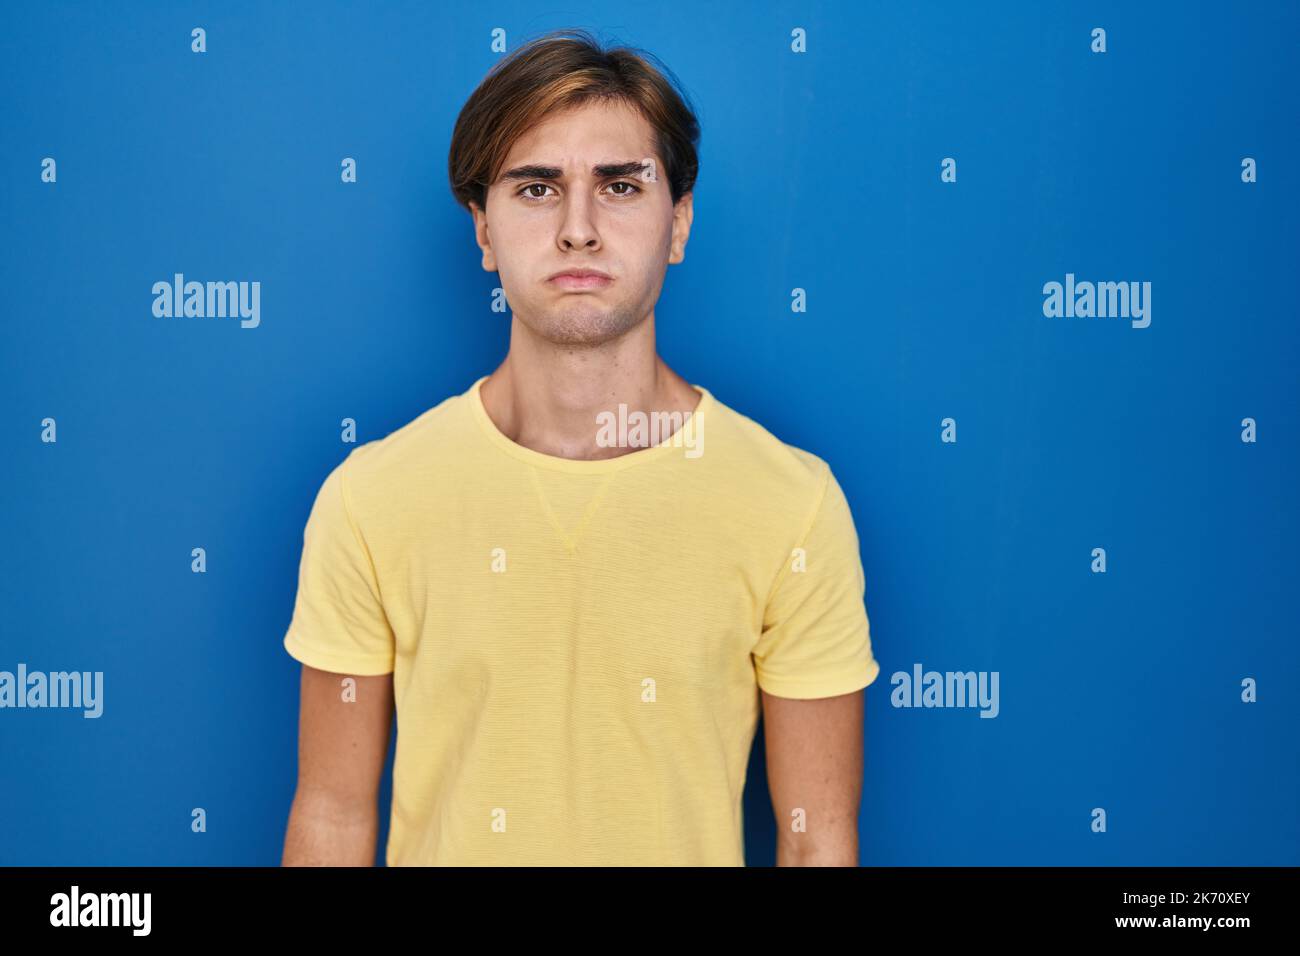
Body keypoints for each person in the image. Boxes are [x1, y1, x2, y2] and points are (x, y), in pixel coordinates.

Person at [280, 27, 879, 867]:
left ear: (678, 223)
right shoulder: (371, 497)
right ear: (482, 231)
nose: (578, 230)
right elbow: (334, 817)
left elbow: (818, 843)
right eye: (535, 188)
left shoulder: (792, 503)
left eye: (620, 186)